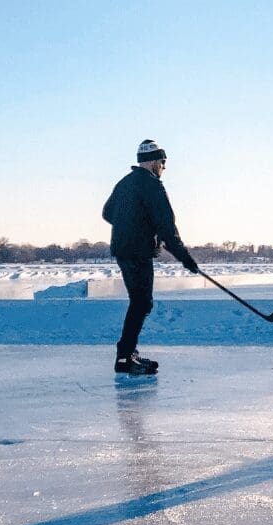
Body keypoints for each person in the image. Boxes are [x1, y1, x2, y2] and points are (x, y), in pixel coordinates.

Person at [102, 140, 200, 375]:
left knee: (140, 302)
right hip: (138, 252)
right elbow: (167, 229)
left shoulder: (125, 183)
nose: (164, 168)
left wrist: (131, 224)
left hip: (124, 250)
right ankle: (125, 357)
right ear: (156, 162)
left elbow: (108, 212)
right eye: (163, 163)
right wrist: (185, 258)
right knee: (142, 302)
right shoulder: (153, 186)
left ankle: (127, 354)